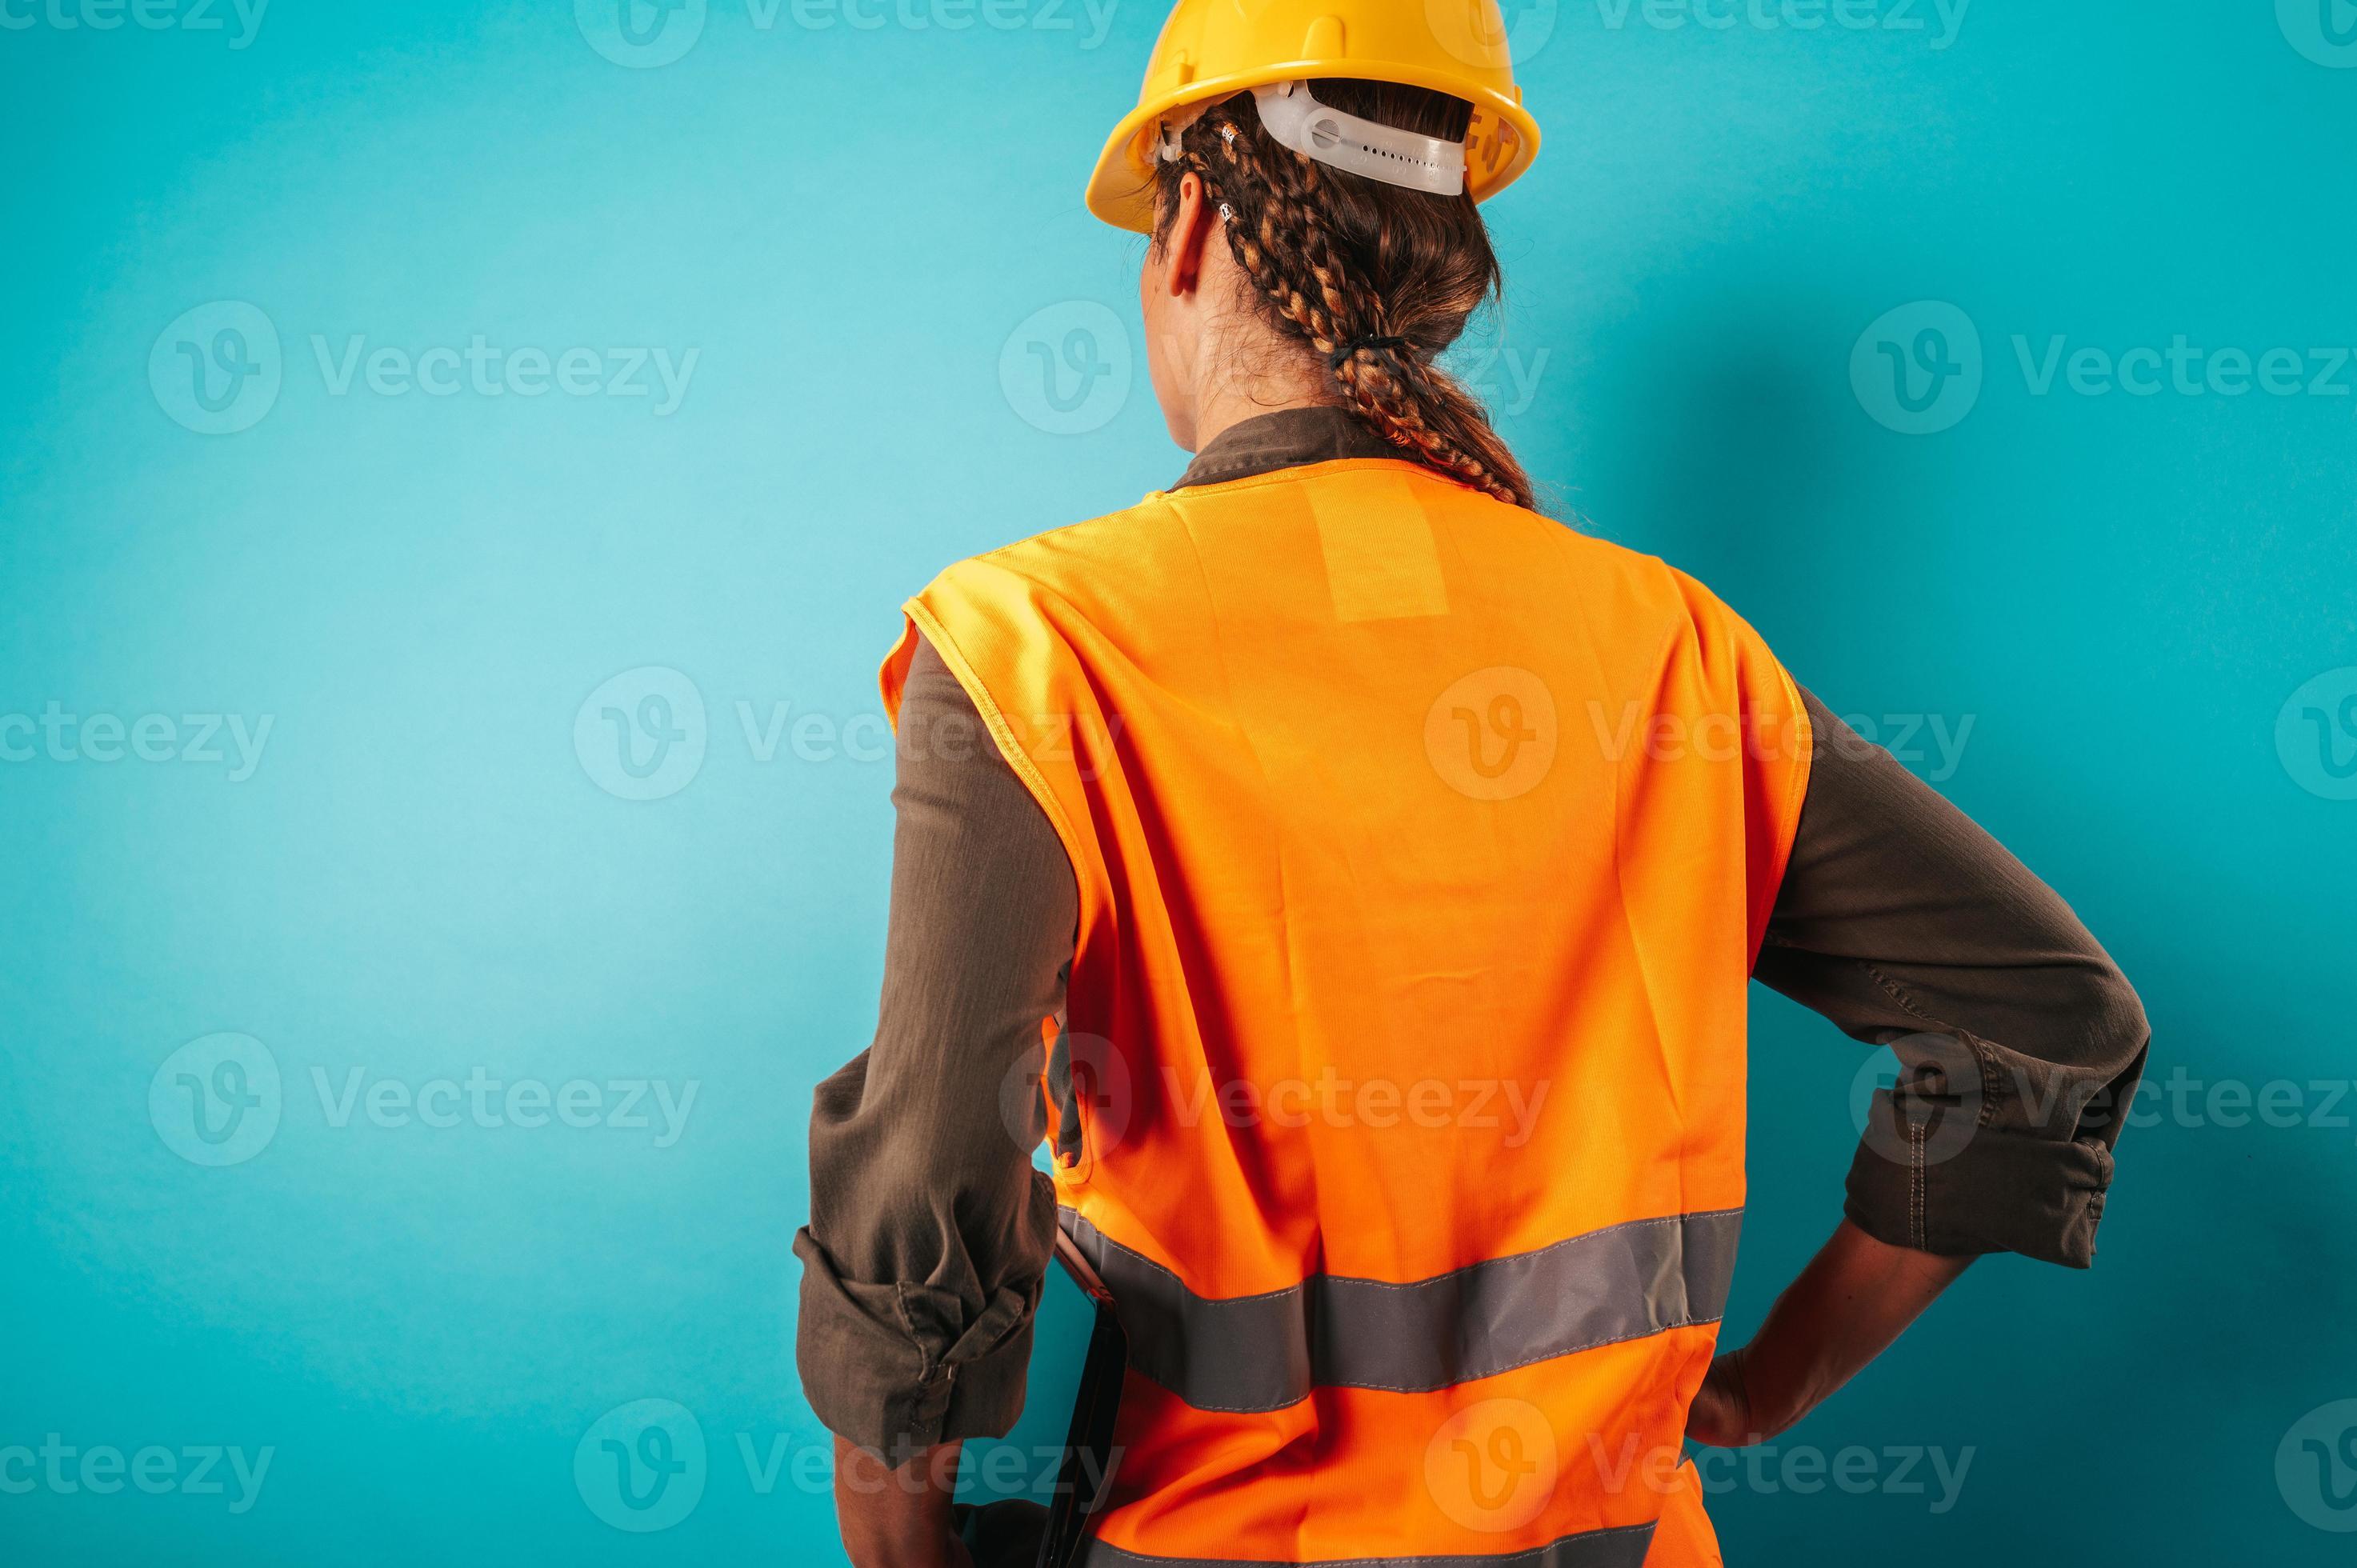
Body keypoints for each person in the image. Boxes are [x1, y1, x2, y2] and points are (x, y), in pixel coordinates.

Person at [794, 4, 2149, 1564]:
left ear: (1192, 225)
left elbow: (931, 1171)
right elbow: (2051, 1021)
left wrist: (903, 1532)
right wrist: (1772, 1384)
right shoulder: (1674, 649)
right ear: (1441, 263)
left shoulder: (1037, 646)